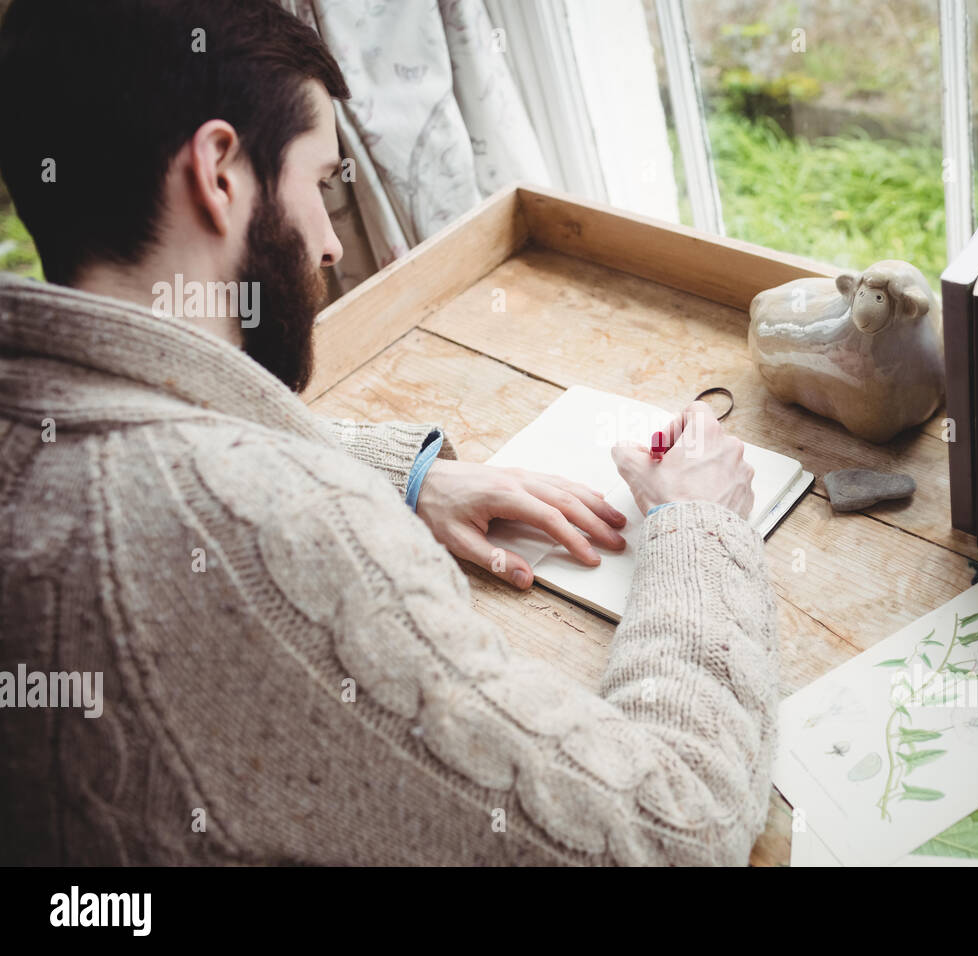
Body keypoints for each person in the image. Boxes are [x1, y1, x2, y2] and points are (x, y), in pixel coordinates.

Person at [0, 0, 779, 865]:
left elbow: (137, 422)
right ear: (221, 172)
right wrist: (699, 530)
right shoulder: (290, 536)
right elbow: (675, 831)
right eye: (321, 184)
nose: (332, 245)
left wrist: (402, 478)